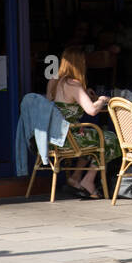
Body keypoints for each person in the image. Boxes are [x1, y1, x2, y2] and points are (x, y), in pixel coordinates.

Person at [45, 46, 114, 198]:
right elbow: (92, 111)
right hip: (69, 139)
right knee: (110, 139)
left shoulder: (53, 81)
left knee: (93, 138)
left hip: (53, 137)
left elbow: (55, 105)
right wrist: (102, 99)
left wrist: (84, 95)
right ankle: (88, 180)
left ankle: (75, 178)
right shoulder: (74, 84)